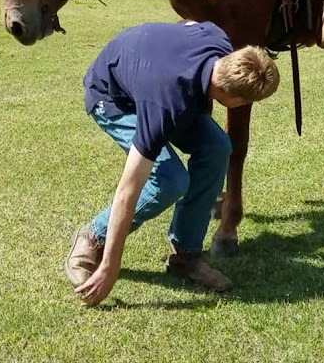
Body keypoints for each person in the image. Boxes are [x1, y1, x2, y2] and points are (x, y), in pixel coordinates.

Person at [66, 19, 280, 306]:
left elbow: (191, 23)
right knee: (169, 180)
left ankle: (186, 255)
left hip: (159, 80)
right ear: (233, 99)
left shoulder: (220, 42)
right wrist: (110, 266)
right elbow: (128, 190)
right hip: (113, 96)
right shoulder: (165, 104)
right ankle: (92, 238)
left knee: (218, 147)